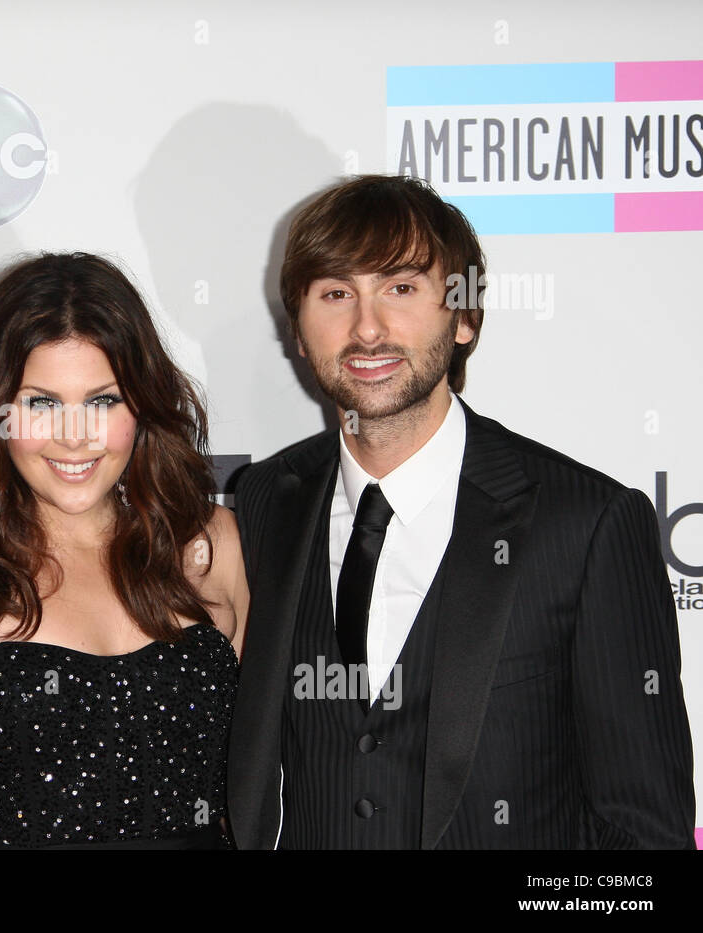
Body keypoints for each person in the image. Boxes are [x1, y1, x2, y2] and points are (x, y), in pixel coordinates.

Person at [228, 174, 694, 849]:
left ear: (466, 316)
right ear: (298, 332)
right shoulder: (269, 498)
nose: (367, 327)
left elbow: (645, 840)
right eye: (335, 294)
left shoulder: (585, 523)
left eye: (402, 288)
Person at [0, 252, 248, 849]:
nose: (74, 436)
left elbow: (271, 784)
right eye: (41, 402)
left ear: (142, 405)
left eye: (103, 400)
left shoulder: (213, 546)